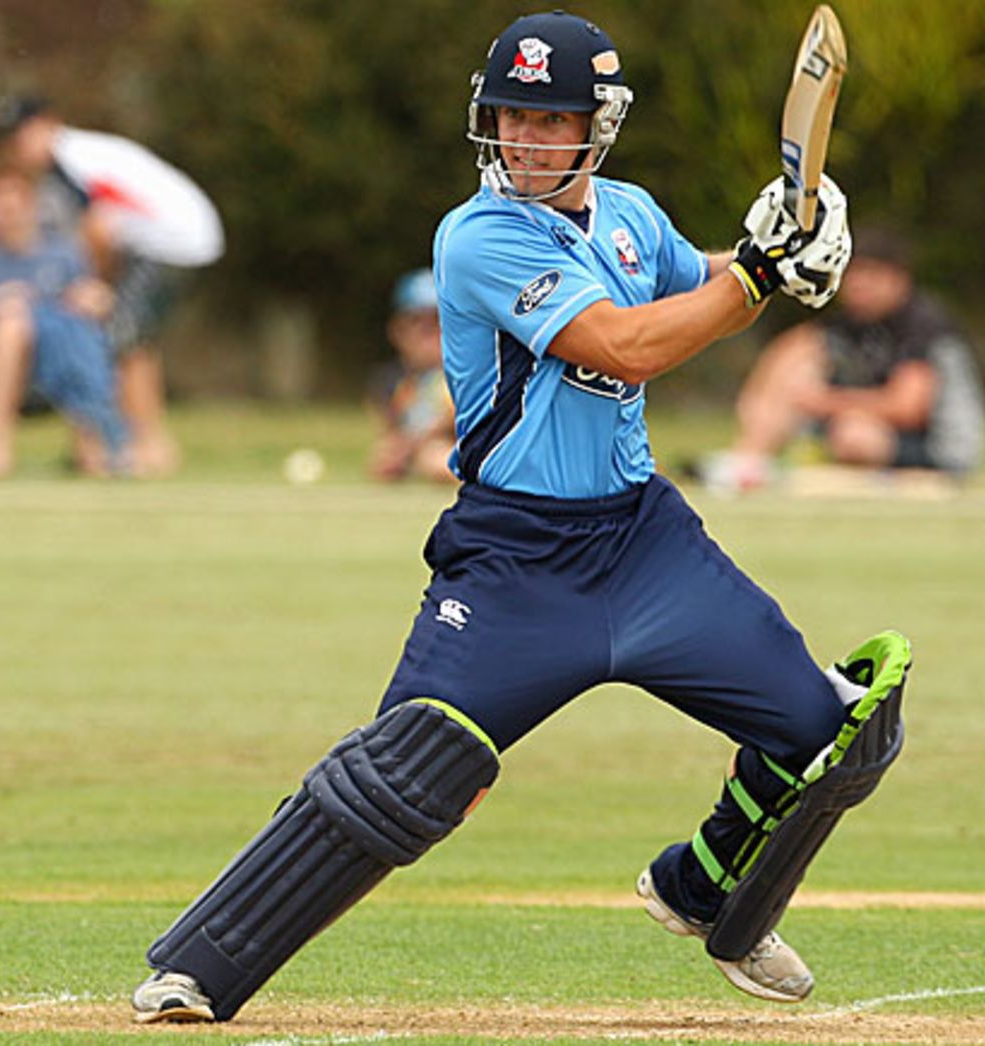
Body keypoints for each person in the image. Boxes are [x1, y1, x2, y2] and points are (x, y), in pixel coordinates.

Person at [129, 12, 909, 1024]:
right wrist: (758, 278)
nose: (526, 139)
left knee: (830, 733)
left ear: (600, 125)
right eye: (511, 116)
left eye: (552, 120)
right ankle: (199, 964)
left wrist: (788, 253)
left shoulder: (626, 213)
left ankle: (705, 886)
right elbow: (625, 343)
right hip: (514, 561)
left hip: (644, 542)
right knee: (411, 766)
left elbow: (690, 283)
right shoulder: (480, 236)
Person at [0, 94, 225, 477]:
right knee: (132, 340)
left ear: (47, 125)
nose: (17, 149)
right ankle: (142, 447)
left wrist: (94, 284)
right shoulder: (82, 153)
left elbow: (100, 228)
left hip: (171, 243)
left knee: (113, 338)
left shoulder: (73, 161)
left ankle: (128, 447)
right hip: (168, 242)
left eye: (21, 137)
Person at [705, 227, 984, 491]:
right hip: (862, 424)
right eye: (854, 275)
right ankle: (747, 458)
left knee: (854, 435)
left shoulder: (922, 323)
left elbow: (908, 407)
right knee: (799, 355)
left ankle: (755, 467)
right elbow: (795, 349)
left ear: (898, 279)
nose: (860, 286)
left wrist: (824, 402)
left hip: (937, 447)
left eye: (871, 276)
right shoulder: (851, 322)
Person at [0, 160, 128, 478]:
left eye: (14, 203)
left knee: (80, 332)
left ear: (31, 206)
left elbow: (100, 300)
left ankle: (95, 449)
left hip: (61, 349)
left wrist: (92, 298)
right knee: (12, 324)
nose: (6, 212)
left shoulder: (63, 254)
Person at [367, 268, 456, 484]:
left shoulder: (472, 374)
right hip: (426, 453)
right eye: (420, 324)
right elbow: (392, 434)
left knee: (438, 458)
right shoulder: (390, 382)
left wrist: (411, 445)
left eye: (439, 322)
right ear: (398, 330)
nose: (432, 334)